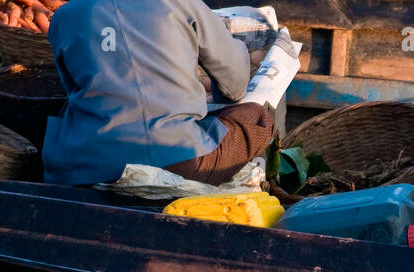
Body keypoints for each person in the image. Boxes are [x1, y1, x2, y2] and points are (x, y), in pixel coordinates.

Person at [42, 0, 275, 186]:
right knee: (257, 117)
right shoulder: (181, 3)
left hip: (86, 166)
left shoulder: (64, 17)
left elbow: (73, 90)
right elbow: (235, 83)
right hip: (181, 161)